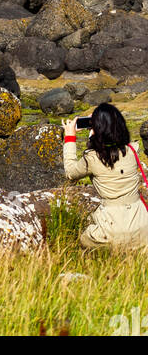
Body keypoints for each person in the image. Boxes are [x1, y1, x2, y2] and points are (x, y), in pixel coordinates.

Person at [63, 104, 148, 249]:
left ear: (97, 129)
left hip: (111, 230)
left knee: (84, 237)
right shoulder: (132, 150)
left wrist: (70, 137)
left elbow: (71, 173)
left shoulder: (92, 158)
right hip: (142, 227)